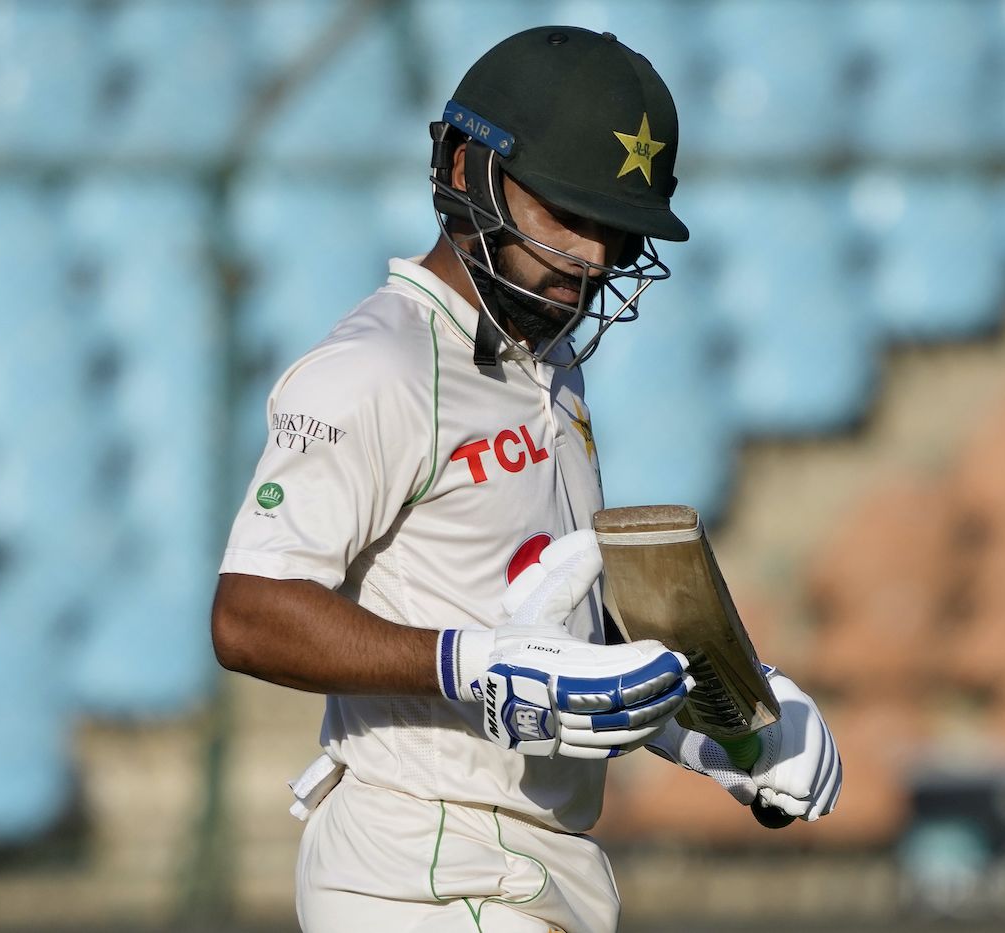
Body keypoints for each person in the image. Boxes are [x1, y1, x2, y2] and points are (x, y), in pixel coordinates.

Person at [211, 25, 841, 933]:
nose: (591, 260)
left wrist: (725, 720)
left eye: (614, 232)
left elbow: (545, 639)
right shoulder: (379, 365)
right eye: (566, 212)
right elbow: (249, 611)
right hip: (422, 860)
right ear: (468, 168)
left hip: (536, 863)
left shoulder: (548, 365)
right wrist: (472, 662)